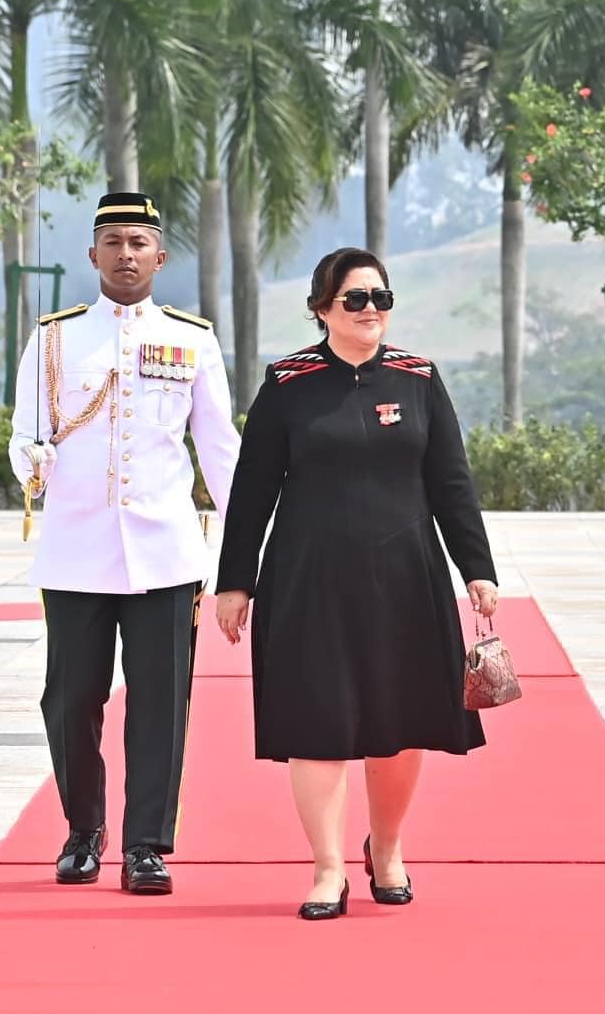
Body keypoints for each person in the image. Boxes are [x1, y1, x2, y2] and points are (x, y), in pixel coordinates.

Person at [213, 247, 500, 921]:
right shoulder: (288, 383)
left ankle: (387, 849)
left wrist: (478, 568)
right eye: (355, 299)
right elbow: (252, 490)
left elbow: (451, 483)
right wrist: (235, 583)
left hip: (407, 580)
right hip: (308, 582)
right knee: (317, 722)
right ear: (322, 308)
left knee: (401, 723)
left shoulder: (418, 378)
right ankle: (327, 868)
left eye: (381, 298)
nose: (371, 310)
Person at [9, 191, 238, 896]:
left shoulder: (192, 340)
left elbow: (219, 447)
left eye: (139, 243)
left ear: (160, 256)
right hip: (76, 553)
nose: (126, 255)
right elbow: (24, 432)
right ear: (93, 255)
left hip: (165, 554)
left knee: (161, 705)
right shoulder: (54, 339)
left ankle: (146, 846)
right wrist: (32, 462)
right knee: (69, 700)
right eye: (113, 243)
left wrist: (249, 547)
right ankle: (84, 830)